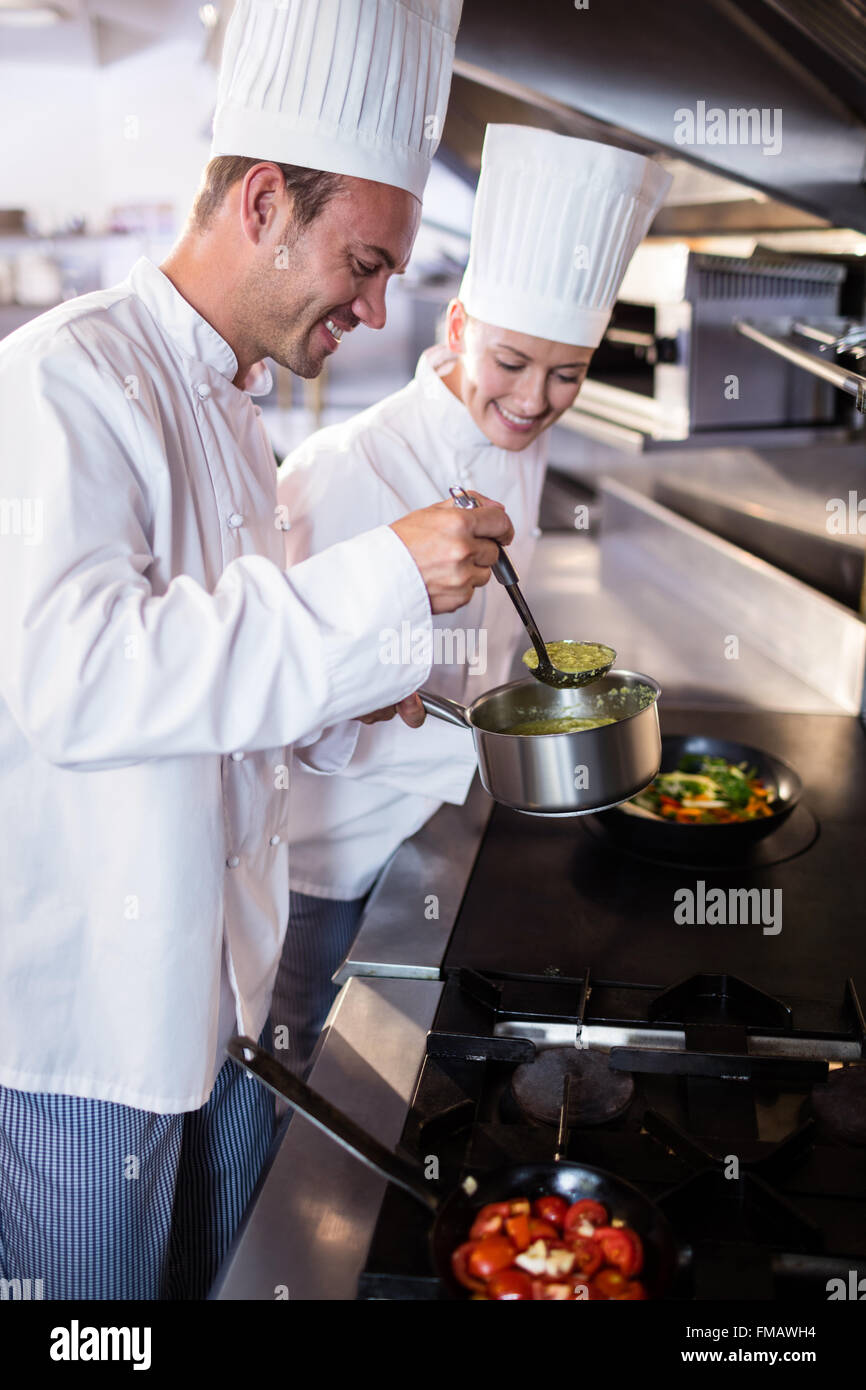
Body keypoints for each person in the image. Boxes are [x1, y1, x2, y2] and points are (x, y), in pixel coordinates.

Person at [0, 0, 511, 1301]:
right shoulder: (62, 383)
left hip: (226, 987)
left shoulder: (235, 408)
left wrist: (361, 690)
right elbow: (81, 677)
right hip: (90, 1028)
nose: (380, 302)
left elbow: (227, 680)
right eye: (366, 260)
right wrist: (383, 572)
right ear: (265, 200)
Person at [273, 125, 672, 1073]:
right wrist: (367, 687)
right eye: (511, 363)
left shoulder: (514, 449)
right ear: (458, 329)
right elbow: (278, 706)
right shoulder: (346, 468)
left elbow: (488, 646)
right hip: (329, 868)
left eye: (567, 373)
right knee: (292, 1107)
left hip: (441, 833)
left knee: (384, 1079)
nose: (536, 399)